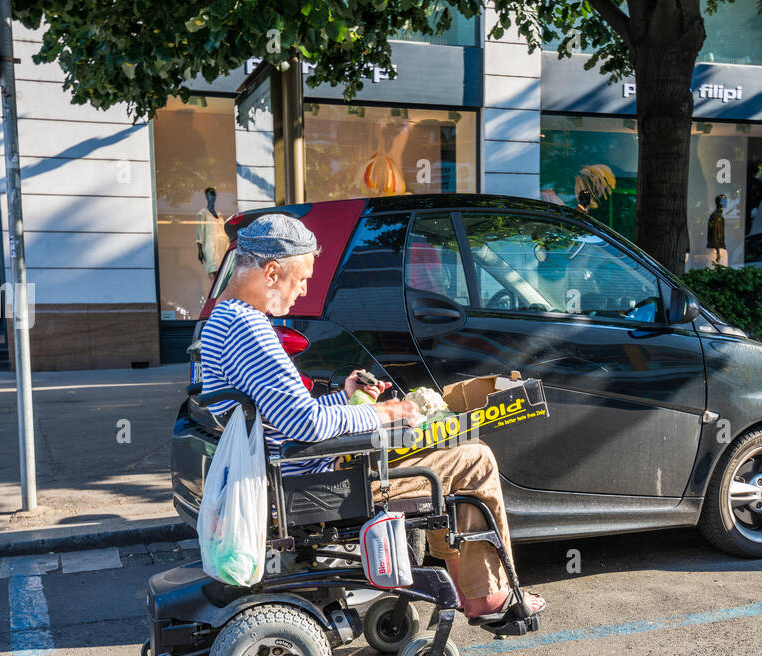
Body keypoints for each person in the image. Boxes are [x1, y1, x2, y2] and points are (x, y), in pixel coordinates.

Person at [198, 213, 545, 627]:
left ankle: (475, 589)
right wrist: (384, 412)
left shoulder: (223, 321)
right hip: (316, 479)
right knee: (474, 458)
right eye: (302, 279)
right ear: (272, 271)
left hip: (298, 469)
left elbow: (282, 413)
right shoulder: (249, 329)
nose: (304, 291)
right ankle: (486, 597)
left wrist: (344, 398)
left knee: (456, 453)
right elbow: (302, 425)